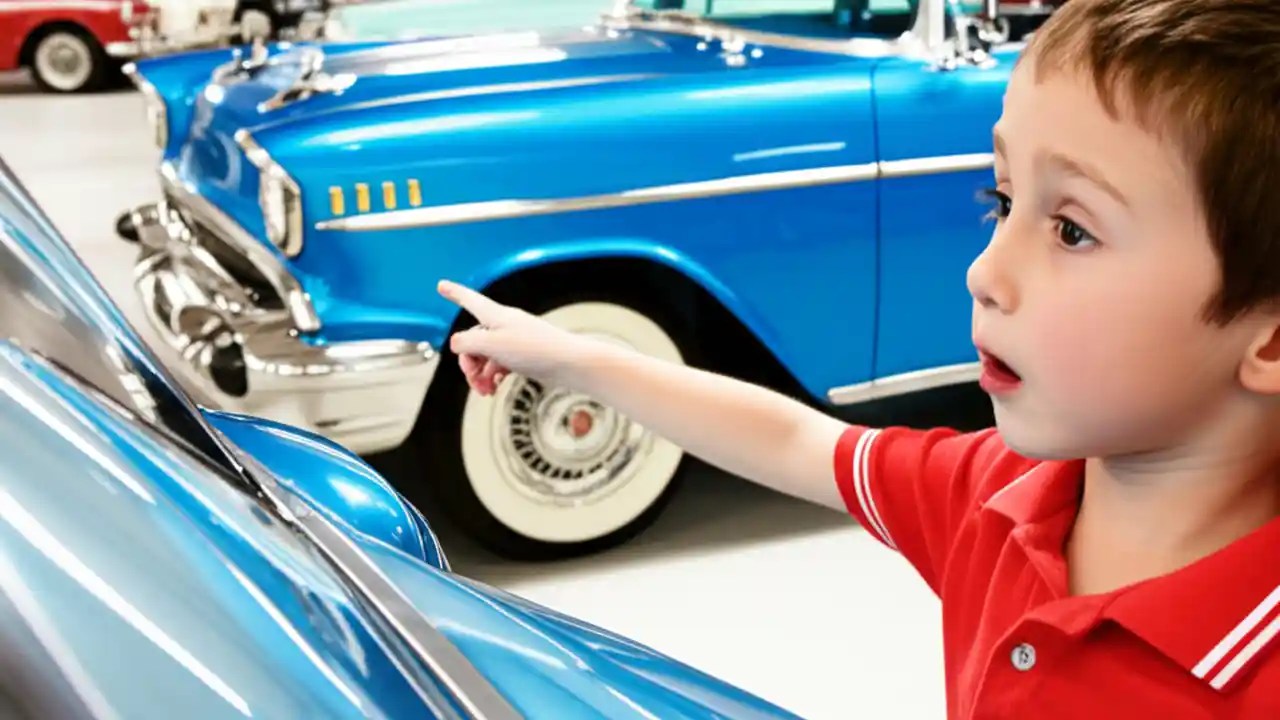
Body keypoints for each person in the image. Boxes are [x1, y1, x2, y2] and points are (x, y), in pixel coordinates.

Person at [437, 0, 1280, 715]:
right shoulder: (1000, 499)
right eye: (1001, 199)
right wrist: (574, 357)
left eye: (1071, 230)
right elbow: (796, 441)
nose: (984, 274)